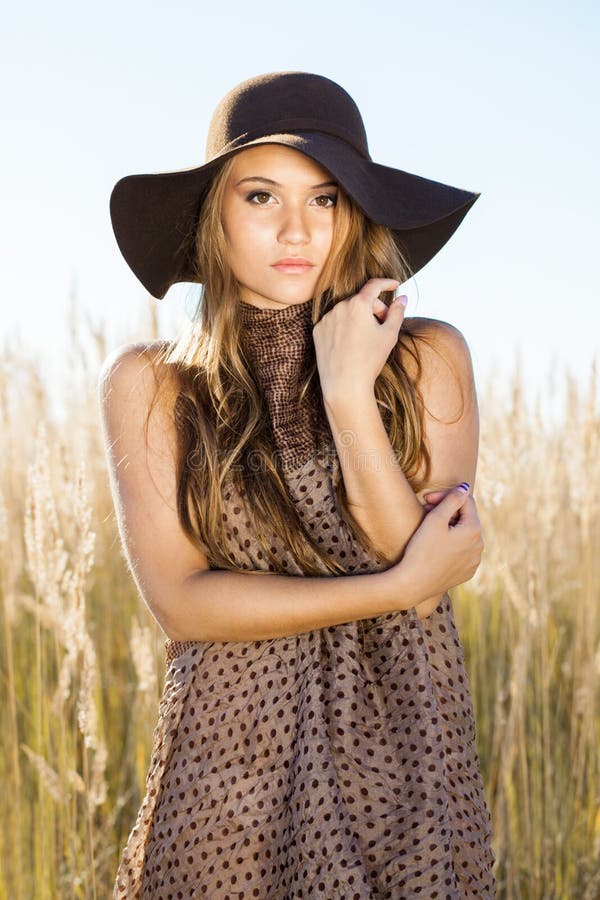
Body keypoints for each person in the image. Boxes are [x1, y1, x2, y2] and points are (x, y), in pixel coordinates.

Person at [100, 71, 496, 898]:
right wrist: (394, 586)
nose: (295, 229)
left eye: (324, 199)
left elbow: (415, 568)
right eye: (260, 197)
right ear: (216, 213)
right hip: (232, 755)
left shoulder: (424, 358)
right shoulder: (154, 384)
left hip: (405, 745)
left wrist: (350, 391)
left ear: (354, 214)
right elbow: (184, 603)